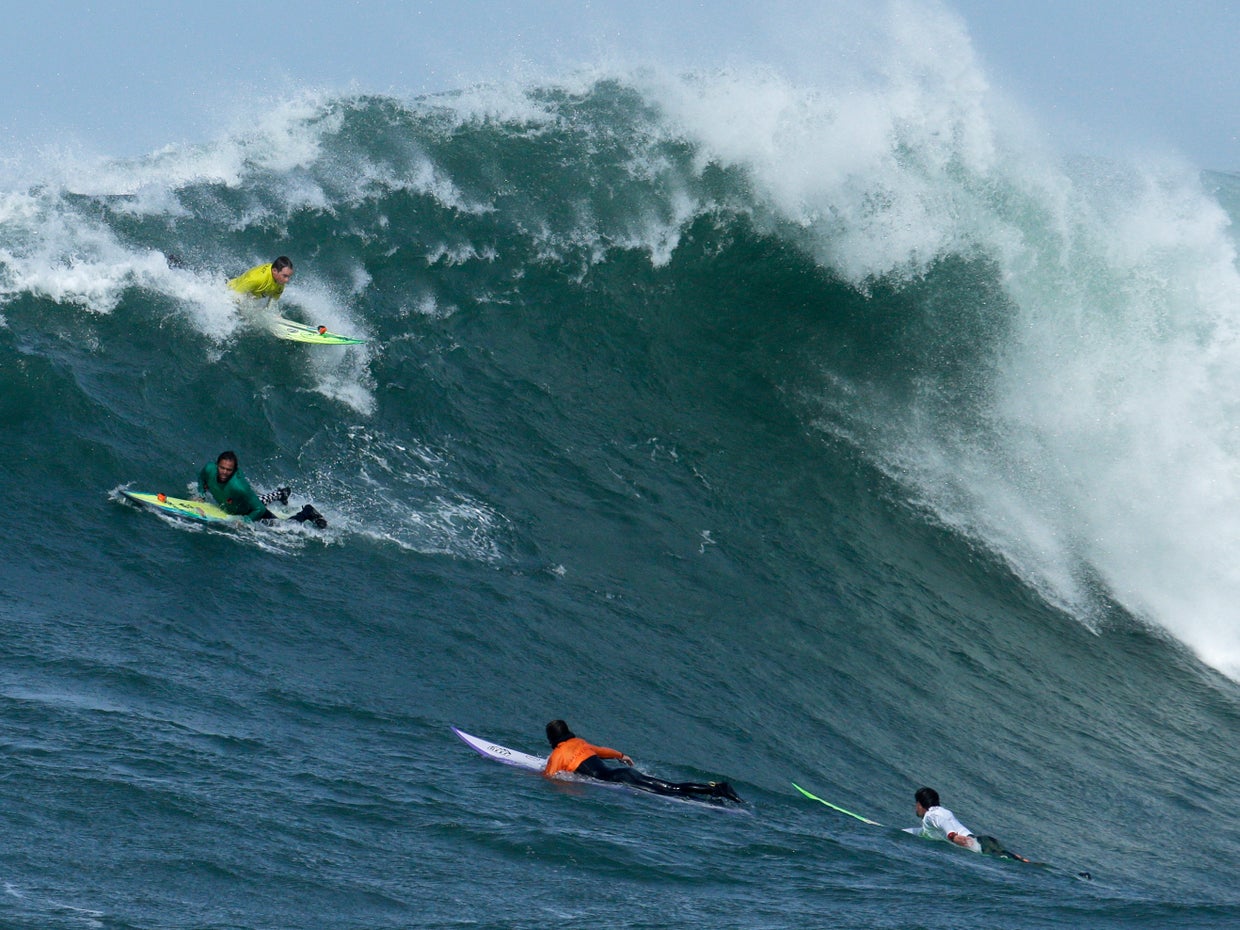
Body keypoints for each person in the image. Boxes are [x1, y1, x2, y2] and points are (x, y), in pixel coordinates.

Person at [542, 719, 742, 803]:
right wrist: (622, 755)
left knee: (672, 791)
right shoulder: (579, 742)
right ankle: (713, 790)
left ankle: (717, 789)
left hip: (619, 780)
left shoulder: (558, 755)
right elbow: (602, 751)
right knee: (672, 789)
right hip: (623, 773)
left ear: (552, 738)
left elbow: (549, 777)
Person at [198, 451, 326, 528]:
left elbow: (259, 509)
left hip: (254, 512)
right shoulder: (209, 468)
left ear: (234, 470)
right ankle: (281, 494)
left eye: (229, 470)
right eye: (222, 468)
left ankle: (308, 512)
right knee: (254, 500)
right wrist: (201, 494)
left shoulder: (239, 487)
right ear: (216, 465)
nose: (224, 472)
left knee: (285, 527)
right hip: (240, 503)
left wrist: (245, 520)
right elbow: (202, 478)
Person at [914, 787, 1028, 861]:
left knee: (1014, 862)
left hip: (974, 845)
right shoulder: (943, 811)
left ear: (920, 804)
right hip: (983, 840)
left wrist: (953, 836)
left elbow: (942, 822)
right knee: (1016, 860)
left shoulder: (930, 815)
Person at [228, 256, 294, 305]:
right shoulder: (255, 279)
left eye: (288, 276)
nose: (287, 280)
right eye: (285, 276)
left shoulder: (280, 281)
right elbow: (234, 295)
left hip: (248, 296)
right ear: (274, 271)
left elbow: (272, 303)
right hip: (230, 290)